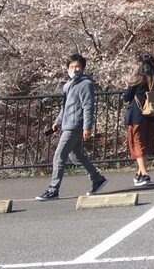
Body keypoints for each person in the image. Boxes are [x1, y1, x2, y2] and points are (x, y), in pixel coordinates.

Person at [36, 53, 107, 200]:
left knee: (59, 156)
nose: (74, 69)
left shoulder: (85, 85)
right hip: (67, 124)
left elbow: (88, 107)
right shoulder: (68, 86)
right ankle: (97, 178)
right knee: (76, 156)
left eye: (77, 67)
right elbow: (65, 107)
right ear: (67, 68)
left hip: (75, 126)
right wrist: (57, 121)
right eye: (71, 67)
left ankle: (53, 189)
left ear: (83, 68)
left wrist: (87, 127)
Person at [120, 53, 154, 187]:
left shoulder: (138, 76)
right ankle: (139, 173)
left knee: (137, 142)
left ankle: (144, 174)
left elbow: (127, 96)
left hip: (137, 113)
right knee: (146, 142)